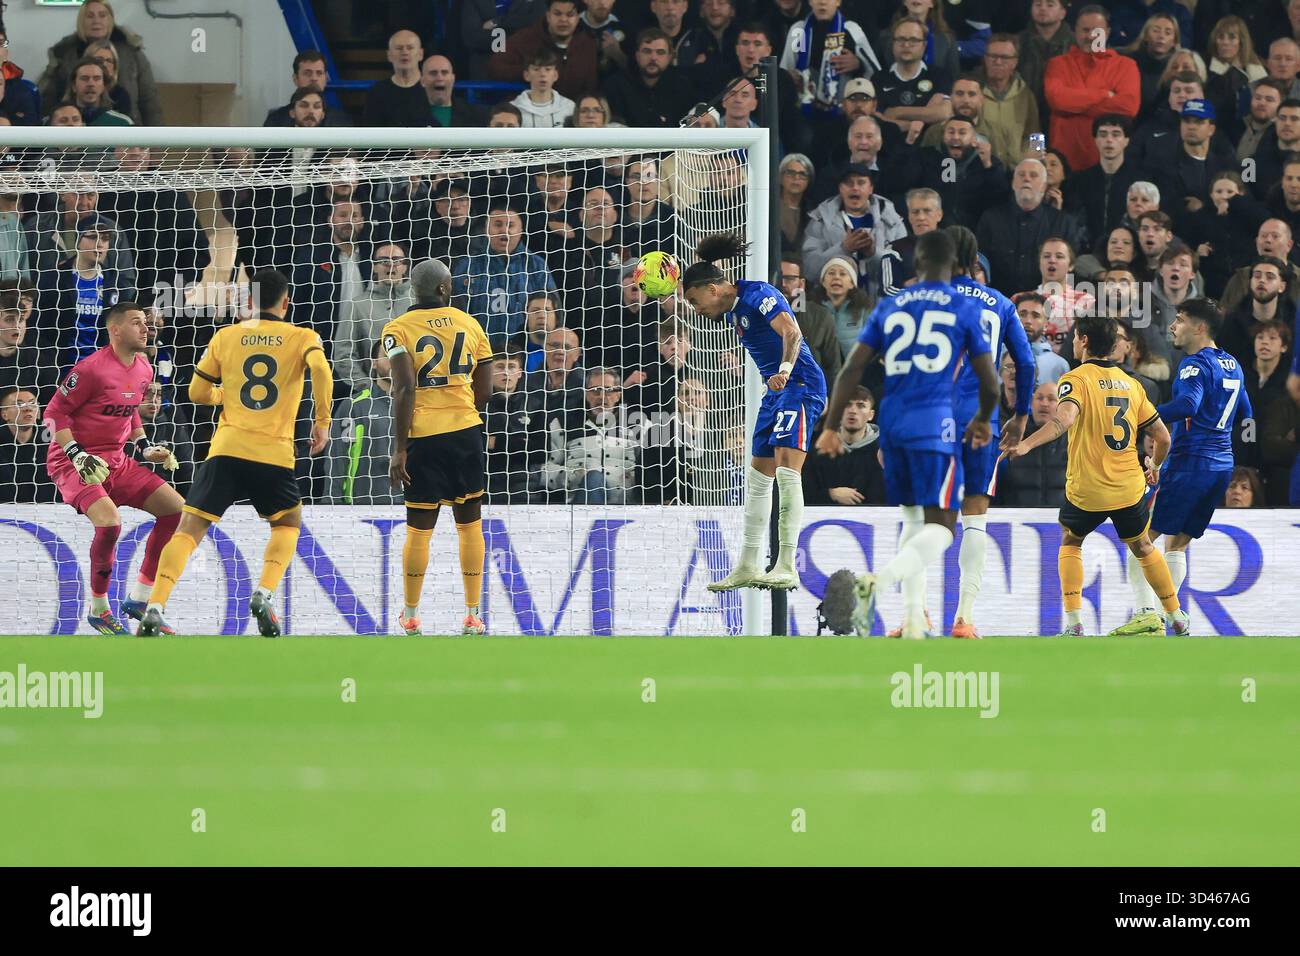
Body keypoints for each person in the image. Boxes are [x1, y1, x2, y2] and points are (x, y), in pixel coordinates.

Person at [818, 229, 999, 639]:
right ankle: (877, 583)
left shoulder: (890, 306)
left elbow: (851, 370)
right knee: (942, 527)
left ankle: (914, 619)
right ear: (955, 266)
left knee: (912, 519)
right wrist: (984, 419)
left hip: (893, 424)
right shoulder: (962, 306)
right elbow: (991, 383)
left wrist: (830, 427)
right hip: (933, 425)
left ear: (916, 264)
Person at [137, 271, 334, 638]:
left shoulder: (226, 336)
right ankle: (263, 591)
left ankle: (156, 606)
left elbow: (196, 392)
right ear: (286, 302)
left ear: (248, 303)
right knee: (287, 524)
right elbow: (321, 369)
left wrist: (222, 397)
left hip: (227, 449)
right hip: (273, 454)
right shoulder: (303, 337)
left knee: (189, 530)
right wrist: (322, 421)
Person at [1005, 315, 1190, 637]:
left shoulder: (1075, 379)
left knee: (1071, 541)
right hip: (1128, 486)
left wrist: (1027, 444)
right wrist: (1155, 467)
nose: (1074, 343)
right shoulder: (1132, 384)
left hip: (1088, 488)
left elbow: (1063, 420)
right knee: (1144, 546)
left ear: (1085, 341)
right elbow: (1163, 438)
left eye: (1076, 338)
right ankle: (1175, 615)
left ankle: (1074, 622)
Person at [682, 232, 828, 592]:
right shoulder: (735, 307)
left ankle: (786, 565)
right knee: (759, 476)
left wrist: (784, 370)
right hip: (774, 392)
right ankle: (748, 564)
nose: (695, 309)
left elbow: (791, 333)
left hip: (799, 383)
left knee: (785, 466)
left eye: (694, 300)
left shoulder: (759, 294)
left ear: (713, 289)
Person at [43, 301, 183, 635]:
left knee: (175, 509)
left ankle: (139, 597)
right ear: (115, 330)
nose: (145, 328)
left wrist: (145, 446)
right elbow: (53, 413)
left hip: (117, 461)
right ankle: (99, 608)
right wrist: (76, 453)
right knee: (110, 523)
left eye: (146, 322)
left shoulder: (144, 369)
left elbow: (131, 408)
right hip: (73, 461)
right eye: (137, 322)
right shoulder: (90, 369)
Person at [1119, 299, 1251, 636]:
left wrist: (1141, 416)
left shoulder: (1194, 364)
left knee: (1140, 539)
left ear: (1200, 328)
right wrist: (1228, 440)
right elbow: (1247, 415)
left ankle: (1147, 613)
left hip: (1191, 462)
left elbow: (1187, 405)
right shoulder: (1233, 364)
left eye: (1179, 320)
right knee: (1177, 543)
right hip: (1221, 464)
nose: (1172, 326)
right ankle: (1169, 616)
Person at [384, 260, 494, 637]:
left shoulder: (396, 330)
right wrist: (462, 414)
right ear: (444, 289)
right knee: (470, 524)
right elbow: (486, 390)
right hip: (465, 432)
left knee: (419, 529)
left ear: (414, 290)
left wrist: (399, 449)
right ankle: (473, 614)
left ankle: (411, 614)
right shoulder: (470, 324)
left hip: (423, 437)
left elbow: (403, 389)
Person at [942, 225, 1035, 638]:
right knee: (974, 516)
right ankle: (964, 618)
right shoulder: (1000, 304)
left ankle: (914, 614)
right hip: (982, 420)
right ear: (976, 262)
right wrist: (1021, 415)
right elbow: (1027, 364)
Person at [1042, 6, 1141, 173]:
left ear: (1108, 32)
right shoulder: (1057, 64)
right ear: (1075, 32)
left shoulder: (1126, 65)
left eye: (1097, 31)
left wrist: (1074, 104)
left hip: (1106, 164)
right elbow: (1057, 99)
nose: (1090, 36)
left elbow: (1128, 106)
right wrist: (1103, 95)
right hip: (1063, 164)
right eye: (1085, 30)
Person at [38, 0, 162, 126]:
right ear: (81, 21)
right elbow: (48, 97)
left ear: (111, 20)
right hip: (73, 130)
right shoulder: (64, 54)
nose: (96, 21)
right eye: (90, 16)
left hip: (128, 129)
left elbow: (149, 101)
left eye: (102, 15)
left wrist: (157, 139)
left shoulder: (131, 54)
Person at [801, 386, 885, 505]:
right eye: (846, 405)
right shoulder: (819, 445)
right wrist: (830, 494)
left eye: (861, 406)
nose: (853, 411)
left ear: (871, 415)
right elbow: (801, 493)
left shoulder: (884, 448)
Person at [264, 50, 353, 127]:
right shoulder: (276, 120)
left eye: (319, 73)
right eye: (307, 73)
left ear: (325, 79)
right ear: (295, 79)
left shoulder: (341, 121)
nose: (314, 78)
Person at [362, 30, 425, 127]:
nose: (405, 52)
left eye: (410, 48)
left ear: (421, 54)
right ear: (389, 55)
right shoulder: (377, 92)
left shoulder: (432, 89)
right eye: (399, 48)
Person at [511, 50, 576, 128]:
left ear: (555, 75)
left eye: (548, 69)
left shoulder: (569, 107)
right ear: (526, 75)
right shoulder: (514, 108)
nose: (542, 74)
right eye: (536, 69)